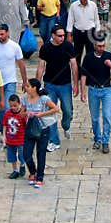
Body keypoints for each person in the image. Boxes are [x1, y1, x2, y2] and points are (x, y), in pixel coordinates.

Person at [36, 24, 79, 152]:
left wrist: (75, 84)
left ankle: (66, 125)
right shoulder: (45, 48)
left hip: (65, 84)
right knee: (51, 112)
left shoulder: (68, 46)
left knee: (68, 110)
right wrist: (37, 85)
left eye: (63, 36)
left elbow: (74, 65)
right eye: (59, 36)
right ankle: (54, 140)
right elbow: (41, 66)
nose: (62, 38)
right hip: (50, 84)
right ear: (53, 36)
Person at [80, 36, 111, 153]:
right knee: (94, 118)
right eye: (99, 46)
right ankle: (97, 138)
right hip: (93, 90)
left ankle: (105, 141)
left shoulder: (109, 56)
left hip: (106, 90)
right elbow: (83, 75)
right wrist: (83, 91)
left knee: (107, 116)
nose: (101, 48)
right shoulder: (88, 57)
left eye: (103, 46)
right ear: (94, 46)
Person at [0, 23, 28, 132]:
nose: (0, 36)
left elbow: (21, 64)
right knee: (1, 108)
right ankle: (3, 131)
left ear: (7, 33)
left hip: (10, 81)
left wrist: (25, 81)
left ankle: (10, 131)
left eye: (2, 34)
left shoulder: (15, 46)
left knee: (7, 107)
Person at [22, 78, 60, 188]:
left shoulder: (44, 99)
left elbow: (55, 109)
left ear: (34, 88)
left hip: (43, 129)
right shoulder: (25, 98)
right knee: (26, 153)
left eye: (28, 86)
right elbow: (21, 112)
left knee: (41, 153)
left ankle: (40, 177)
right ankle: (32, 171)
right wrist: (26, 113)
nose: (26, 88)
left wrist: (41, 114)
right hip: (30, 128)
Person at [66, 0, 100, 66]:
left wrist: (98, 32)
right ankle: (77, 72)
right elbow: (70, 21)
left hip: (90, 33)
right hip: (78, 33)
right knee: (77, 54)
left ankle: (89, 72)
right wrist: (69, 34)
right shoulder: (73, 6)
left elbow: (96, 20)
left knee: (90, 55)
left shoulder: (93, 5)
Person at [3, 93, 26, 179]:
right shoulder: (7, 113)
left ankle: (22, 164)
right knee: (11, 155)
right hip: (10, 139)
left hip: (20, 139)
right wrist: (4, 136)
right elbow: (5, 125)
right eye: (11, 106)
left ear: (19, 104)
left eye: (15, 106)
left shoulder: (22, 114)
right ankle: (15, 170)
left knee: (21, 154)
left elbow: (26, 125)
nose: (13, 108)